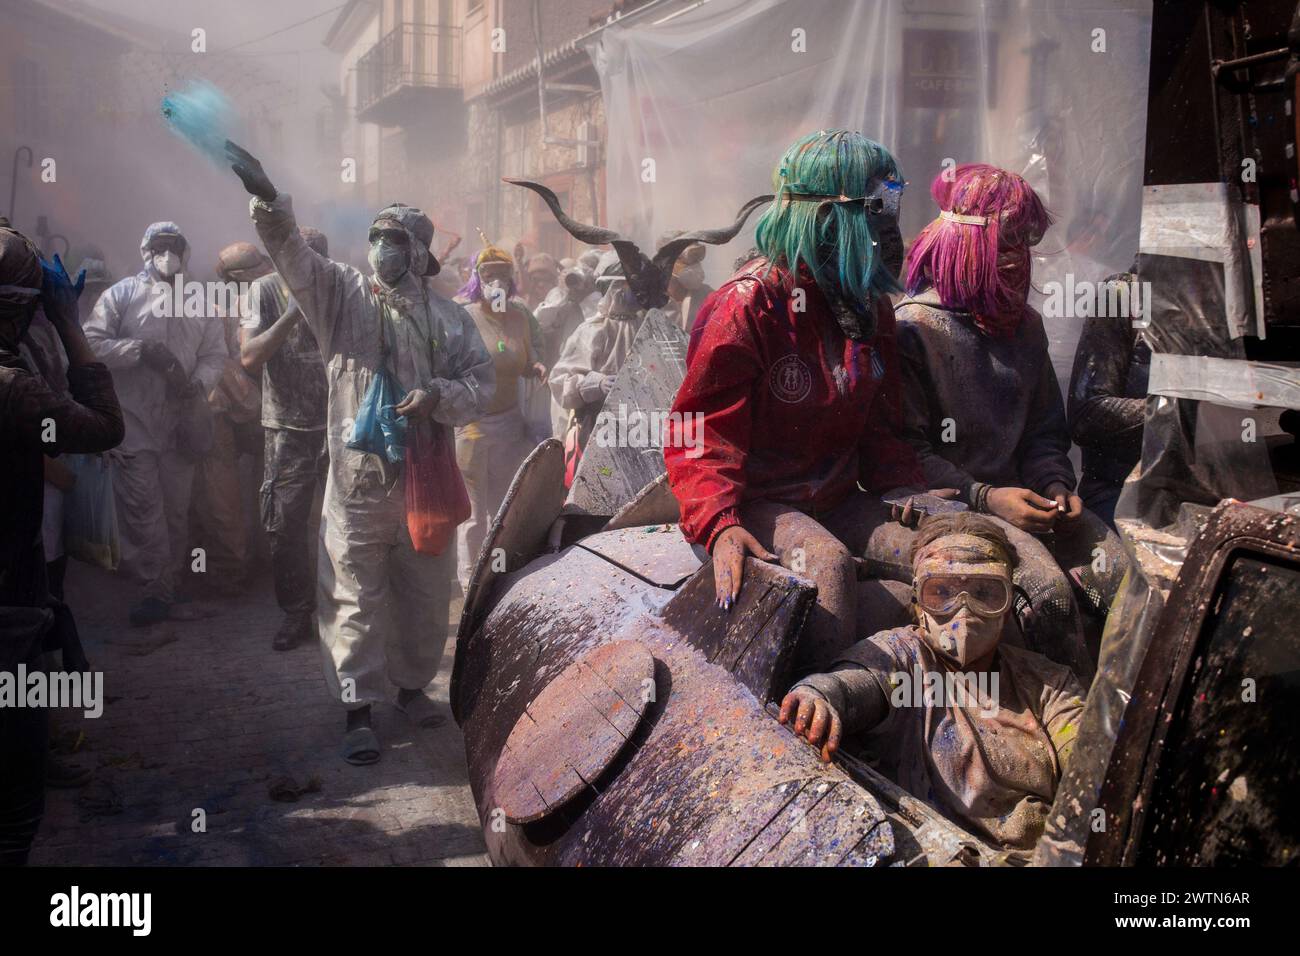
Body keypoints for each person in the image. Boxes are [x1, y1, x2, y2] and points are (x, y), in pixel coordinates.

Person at [226, 141, 494, 765]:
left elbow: (481, 386)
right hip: (356, 483)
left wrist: (437, 396)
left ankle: (409, 689)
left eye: (396, 237)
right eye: (377, 235)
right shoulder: (342, 296)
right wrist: (268, 200)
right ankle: (356, 710)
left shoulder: (451, 321)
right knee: (353, 593)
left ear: (420, 251)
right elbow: (291, 255)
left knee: (425, 593)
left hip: (423, 480)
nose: (383, 246)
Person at [664, 129, 949, 674]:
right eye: (876, 206)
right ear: (823, 216)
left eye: (894, 203)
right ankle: (806, 723)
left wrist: (910, 489)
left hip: (839, 502)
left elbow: (880, 432)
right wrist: (719, 523)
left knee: (949, 552)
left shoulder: (871, 311)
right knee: (827, 565)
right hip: (759, 502)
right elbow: (699, 435)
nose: (890, 225)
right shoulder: (746, 307)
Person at [893, 164, 1127, 675]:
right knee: (1050, 596)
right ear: (964, 243)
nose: (1020, 258)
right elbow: (905, 456)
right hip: (951, 510)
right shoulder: (914, 328)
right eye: (1007, 241)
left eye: (1026, 241)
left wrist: (1055, 483)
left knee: (1123, 581)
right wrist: (986, 497)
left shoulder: (1027, 327)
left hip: (1027, 502)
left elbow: (1045, 431)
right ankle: (1067, 724)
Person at [779, 513, 1084, 859]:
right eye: (941, 592)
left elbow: (1090, 756)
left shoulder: (1047, 682)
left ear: (1006, 605)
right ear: (917, 603)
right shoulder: (904, 659)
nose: (963, 611)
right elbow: (853, 686)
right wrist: (819, 696)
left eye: (985, 593)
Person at [1, 224, 123, 864]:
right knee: (12, 813)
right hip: (8, 609)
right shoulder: (13, 388)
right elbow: (104, 426)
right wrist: (68, 322)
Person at [84, 222, 227, 626]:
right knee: (142, 508)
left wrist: (196, 382)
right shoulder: (121, 295)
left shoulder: (199, 300)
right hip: (135, 419)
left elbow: (216, 355)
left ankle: (168, 585)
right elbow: (90, 342)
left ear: (185, 250)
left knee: (176, 510)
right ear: (145, 250)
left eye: (174, 246)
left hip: (182, 420)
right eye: (159, 246)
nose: (167, 254)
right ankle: (151, 589)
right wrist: (140, 350)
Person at [240, 228, 331, 650]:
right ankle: (297, 613)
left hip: (339, 427)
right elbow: (250, 356)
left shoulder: (338, 288)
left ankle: (342, 614)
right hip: (288, 430)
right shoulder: (264, 291)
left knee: (348, 526)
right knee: (284, 525)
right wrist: (294, 312)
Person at [452, 243, 545, 588]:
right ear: (477, 278)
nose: (497, 282)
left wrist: (535, 366)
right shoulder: (464, 316)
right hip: (472, 427)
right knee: (474, 515)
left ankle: (496, 579)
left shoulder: (519, 316)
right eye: (489, 274)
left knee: (502, 508)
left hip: (510, 422)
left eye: (503, 275)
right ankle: (468, 585)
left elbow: (527, 356)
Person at [189, 241, 272, 592]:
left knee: (228, 491)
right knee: (230, 491)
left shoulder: (237, 303)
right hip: (232, 407)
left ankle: (237, 566)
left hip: (247, 407)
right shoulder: (234, 306)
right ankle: (240, 565)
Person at [548, 252, 644, 477]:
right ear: (613, 288)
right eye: (626, 284)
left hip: (641, 428)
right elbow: (560, 380)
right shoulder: (593, 330)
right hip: (597, 428)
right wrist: (595, 384)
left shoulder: (648, 326)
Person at [1067, 272, 1149, 529]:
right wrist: (1178, 410)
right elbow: (1087, 415)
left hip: (1225, 490)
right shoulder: (1125, 292)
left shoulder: (1245, 303)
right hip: (1123, 492)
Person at [533, 260, 595, 437]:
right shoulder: (563, 303)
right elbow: (539, 322)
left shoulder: (598, 303)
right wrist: (561, 292)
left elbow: (594, 323)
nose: (574, 285)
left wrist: (588, 295)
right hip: (564, 379)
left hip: (590, 380)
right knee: (562, 437)